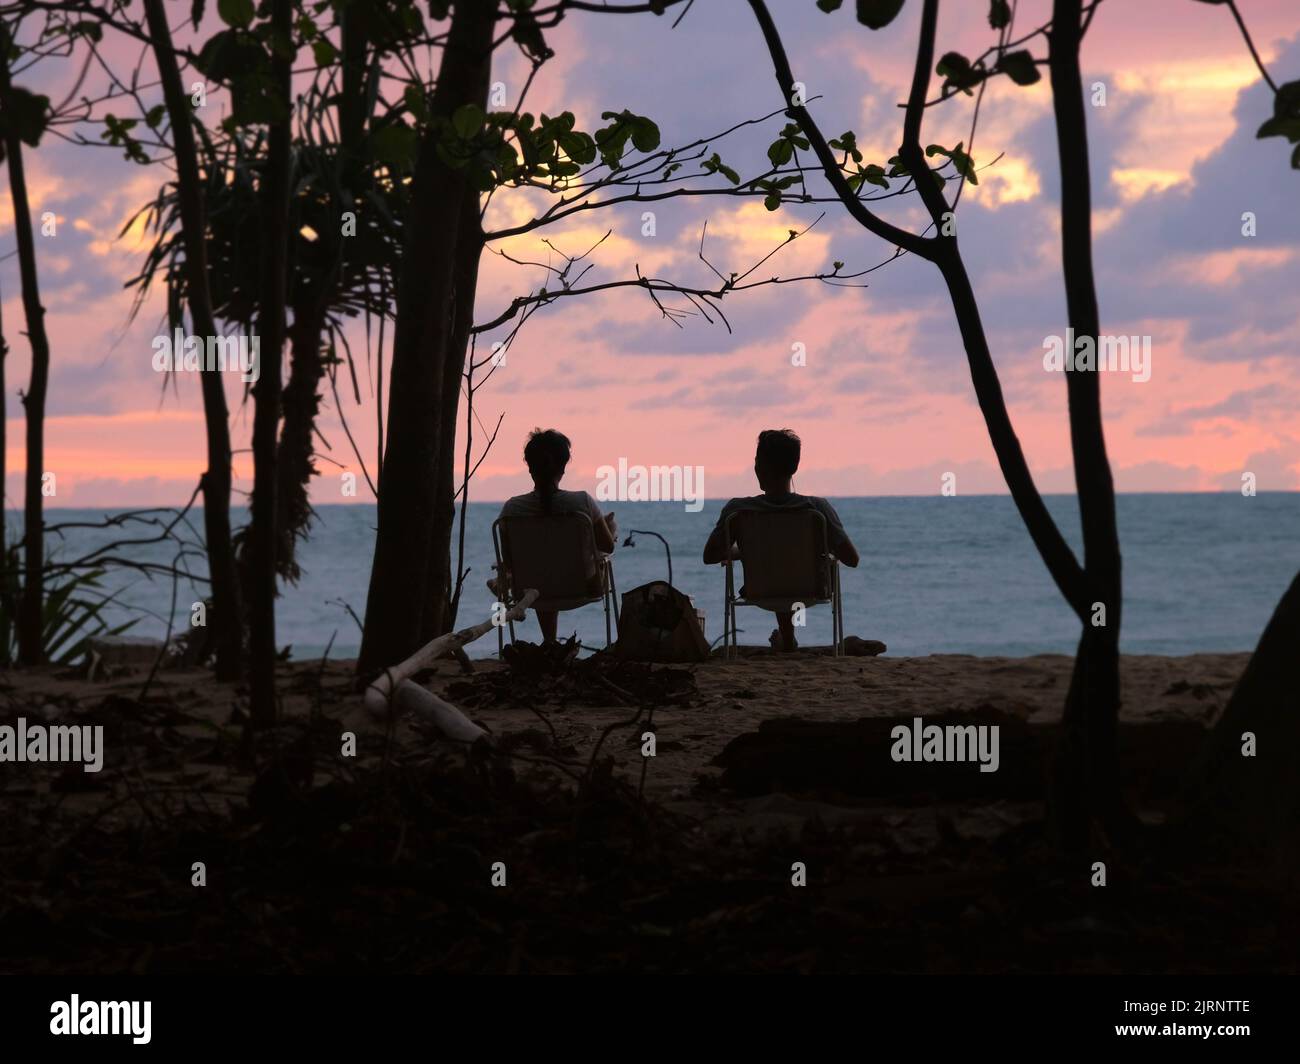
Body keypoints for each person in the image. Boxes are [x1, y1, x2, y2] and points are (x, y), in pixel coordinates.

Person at [703, 428, 859, 651]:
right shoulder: (816, 508)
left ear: (758, 467)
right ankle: (788, 640)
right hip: (810, 589)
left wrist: (741, 551)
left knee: (776, 563)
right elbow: (852, 559)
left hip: (760, 590)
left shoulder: (738, 510)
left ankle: (787, 640)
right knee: (789, 562)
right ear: (794, 467)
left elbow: (710, 556)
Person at [497, 428, 617, 643]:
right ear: (562, 467)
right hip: (582, 588)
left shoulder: (511, 510)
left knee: (542, 565)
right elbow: (607, 547)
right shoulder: (582, 503)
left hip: (530, 590)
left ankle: (549, 642)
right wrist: (610, 529)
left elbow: (509, 561)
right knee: (565, 562)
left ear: (530, 467)